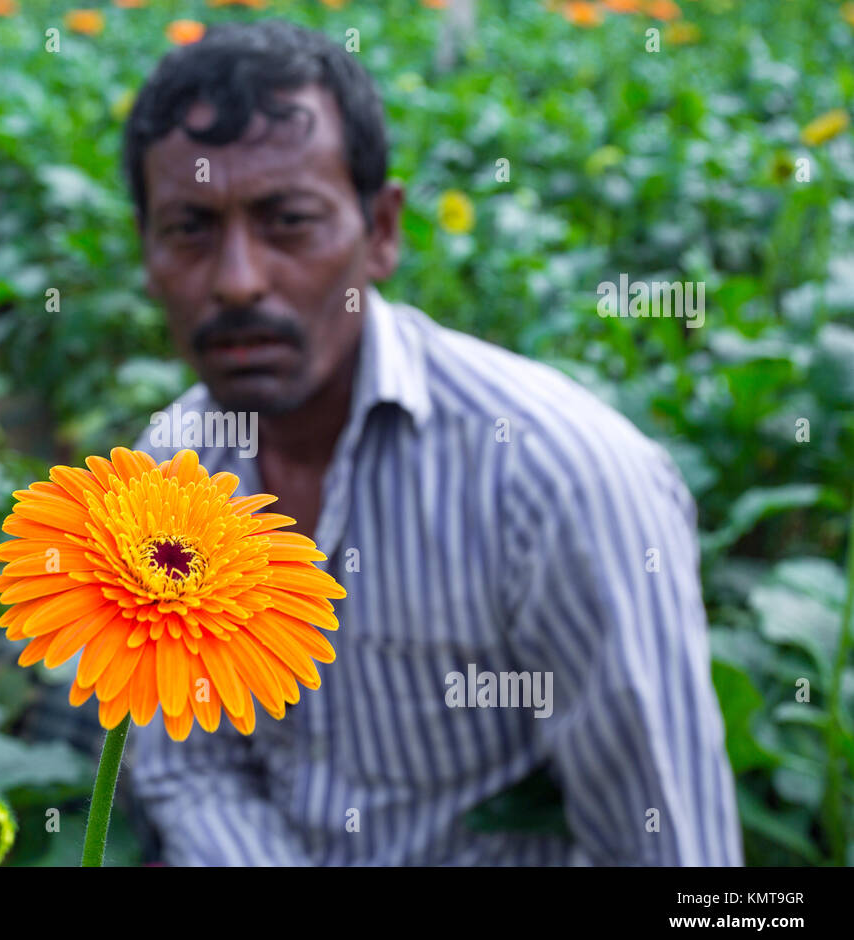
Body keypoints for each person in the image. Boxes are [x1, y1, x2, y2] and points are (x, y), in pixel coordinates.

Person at [113, 19, 742, 866]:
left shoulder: (559, 481)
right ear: (146, 255)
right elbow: (191, 769)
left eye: (288, 221)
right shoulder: (168, 471)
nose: (237, 279)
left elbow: (672, 855)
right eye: (190, 228)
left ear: (381, 231)